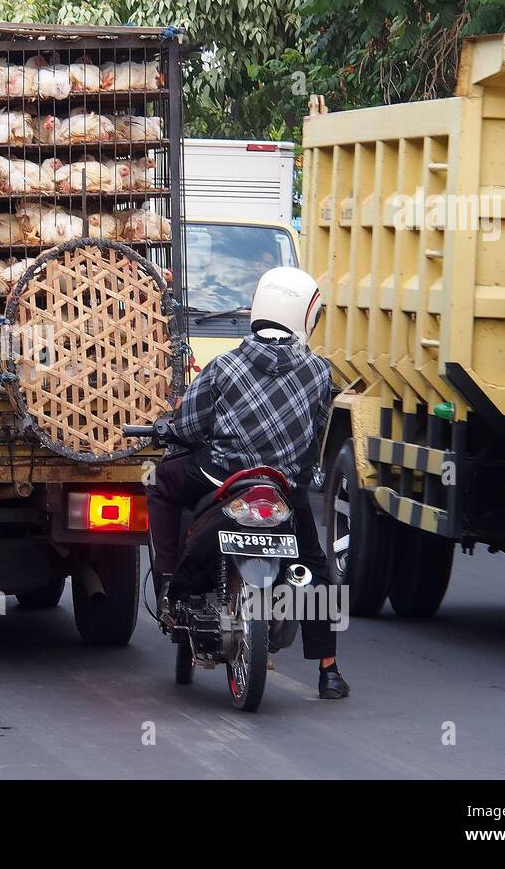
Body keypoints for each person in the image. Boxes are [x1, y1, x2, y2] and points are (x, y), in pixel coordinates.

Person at [145, 267, 349, 700]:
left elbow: (187, 425)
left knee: (161, 482)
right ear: (304, 316)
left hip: (223, 479)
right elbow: (316, 437)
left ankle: (167, 581)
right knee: (316, 568)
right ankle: (329, 670)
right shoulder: (319, 372)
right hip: (283, 488)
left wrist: (169, 428)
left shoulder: (225, 366)